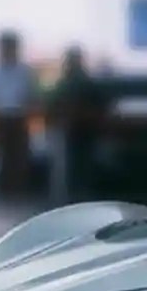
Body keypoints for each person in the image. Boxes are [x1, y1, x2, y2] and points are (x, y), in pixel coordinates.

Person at [0, 31, 39, 201]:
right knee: (2, 157)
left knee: (20, 157)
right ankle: (3, 193)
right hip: (0, 119)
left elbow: (32, 95)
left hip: (19, 118)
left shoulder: (25, 71)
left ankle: (20, 192)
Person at [47, 47, 106, 203]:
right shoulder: (80, 82)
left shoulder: (69, 83)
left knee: (76, 165)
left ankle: (75, 196)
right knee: (78, 165)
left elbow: (54, 105)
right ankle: (78, 195)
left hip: (79, 129)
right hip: (76, 130)